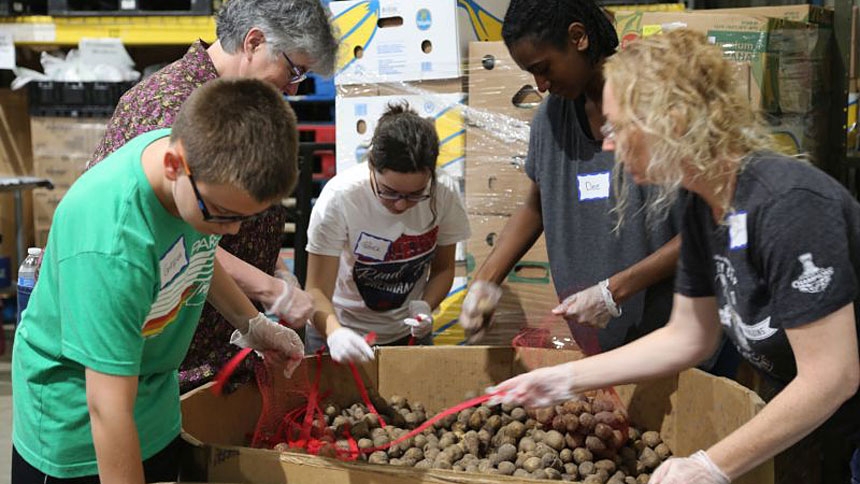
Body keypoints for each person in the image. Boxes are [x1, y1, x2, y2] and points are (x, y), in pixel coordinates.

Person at [490, 29, 860, 483]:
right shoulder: (703, 205)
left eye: (619, 127)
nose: (608, 144)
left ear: (675, 119)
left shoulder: (788, 205)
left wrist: (710, 466)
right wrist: (565, 379)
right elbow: (689, 336)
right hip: (812, 403)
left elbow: (833, 376)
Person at [12, 78, 306, 484]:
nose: (232, 232)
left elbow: (194, 254)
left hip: (154, 407)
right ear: (175, 167)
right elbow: (107, 410)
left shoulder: (195, 170)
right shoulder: (111, 243)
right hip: (81, 437)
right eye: (223, 214)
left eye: (244, 217)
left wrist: (251, 324)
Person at [86, 0, 338, 393]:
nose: (293, 87)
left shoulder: (241, 103)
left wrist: (275, 273)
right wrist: (268, 290)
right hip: (166, 364)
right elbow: (171, 235)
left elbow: (236, 216)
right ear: (254, 42)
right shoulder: (166, 107)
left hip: (220, 350)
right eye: (295, 70)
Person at [459, 0, 681, 353]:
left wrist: (615, 289)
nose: (541, 85)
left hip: (677, 338)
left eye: (544, 68)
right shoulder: (551, 118)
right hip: (606, 350)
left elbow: (708, 232)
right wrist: (485, 282)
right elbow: (537, 204)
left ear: (578, 37)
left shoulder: (659, 109)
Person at [303, 103, 470, 363]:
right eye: (389, 192)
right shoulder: (341, 198)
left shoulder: (443, 192)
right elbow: (316, 290)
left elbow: (443, 269)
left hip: (407, 333)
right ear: (372, 165)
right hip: (340, 329)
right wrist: (335, 333)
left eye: (416, 194)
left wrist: (426, 304)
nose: (401, 204)